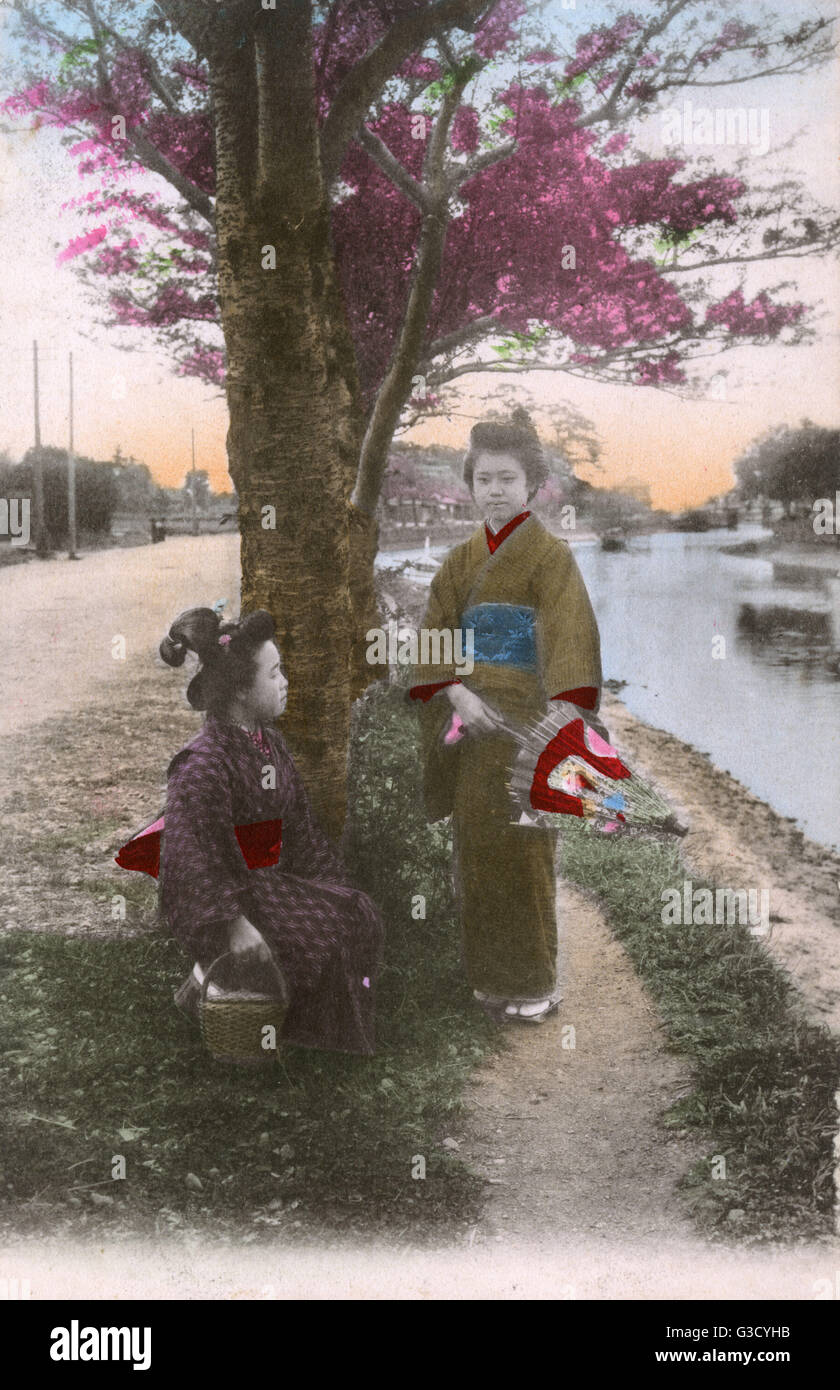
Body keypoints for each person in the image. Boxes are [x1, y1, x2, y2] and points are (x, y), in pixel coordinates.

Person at [409, 408, 603, 1025]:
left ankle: (536, 984)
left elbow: (570, 642)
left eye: (508, 479)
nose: (495, 491)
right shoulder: (459, 561)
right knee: (478, 849)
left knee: (525, 851)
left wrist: (557, 723)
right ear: (470, 485)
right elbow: (434, 643)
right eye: (484, 479)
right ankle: (491, 981)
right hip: (471, 730)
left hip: (528, 727)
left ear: (533, 486)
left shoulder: (550, 557)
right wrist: (458, 695)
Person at [120, 606, 384, 1056]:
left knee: (356, 913)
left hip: (271, 881)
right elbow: (191, 859)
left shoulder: (270, 744)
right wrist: (234, 926)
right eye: (275, 673)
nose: (285, 682)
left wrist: (333, 885)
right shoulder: (202, 763)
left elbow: (301, 830)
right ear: (241, 689)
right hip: (230, 897)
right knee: (323, 934)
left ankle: (270, 1013)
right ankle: (225, 986)